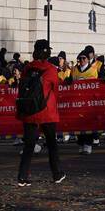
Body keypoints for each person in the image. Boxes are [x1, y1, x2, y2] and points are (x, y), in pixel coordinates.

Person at [15, 39, 67, 187]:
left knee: (29, 146)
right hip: (47, 111)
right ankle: (57, 174)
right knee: (51, 144)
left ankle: (22, 177)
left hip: (30, 111)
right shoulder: (51, 69)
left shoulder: (27, 68)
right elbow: (55, 91)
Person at [71, 47, 103, 154]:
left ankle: (88, 144)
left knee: (88, 123)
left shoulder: (92, 70)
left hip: (88, 101)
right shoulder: (75, 70)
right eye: (80, 58)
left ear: (88, 59)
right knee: (78, 124)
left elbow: (94, 85)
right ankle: (81, 143)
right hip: (77, 101)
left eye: (84, 58)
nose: (82, 60)